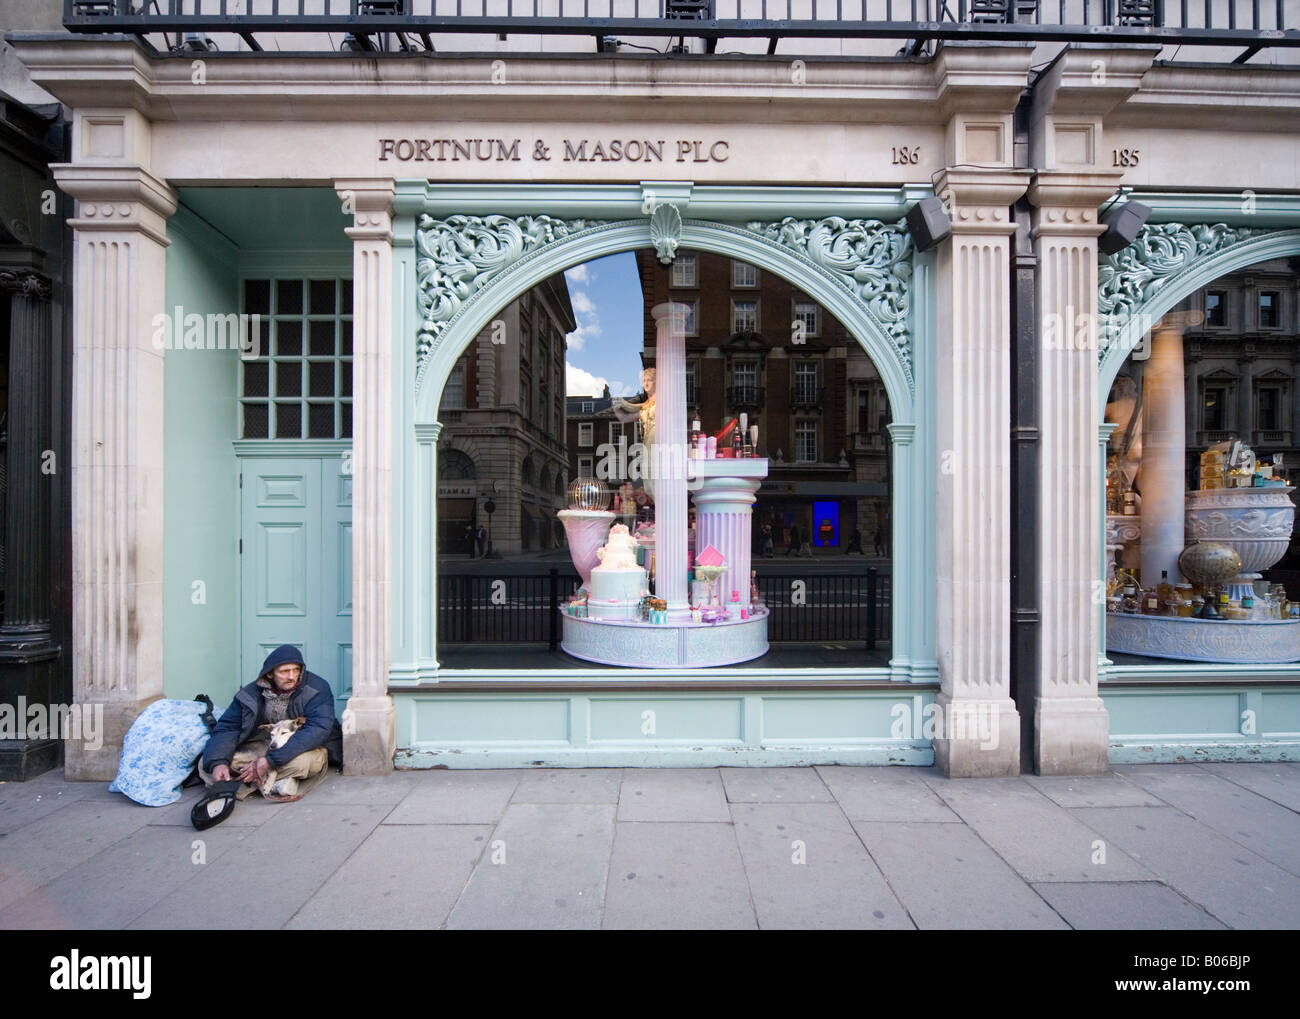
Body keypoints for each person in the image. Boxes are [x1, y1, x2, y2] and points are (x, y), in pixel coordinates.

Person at [201, 644, 342, 803]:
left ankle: (245, 783)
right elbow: (228, 728)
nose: (292, 676)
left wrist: (270, 761)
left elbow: (317, 730)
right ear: (269, 674)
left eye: (296, 670)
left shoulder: (317, 688)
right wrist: (218, 763)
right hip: (265, 746)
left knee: (303, 764)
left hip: (305, 748)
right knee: (207, 763)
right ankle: (273, 782)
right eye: (284, 671)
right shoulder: (249, 694)